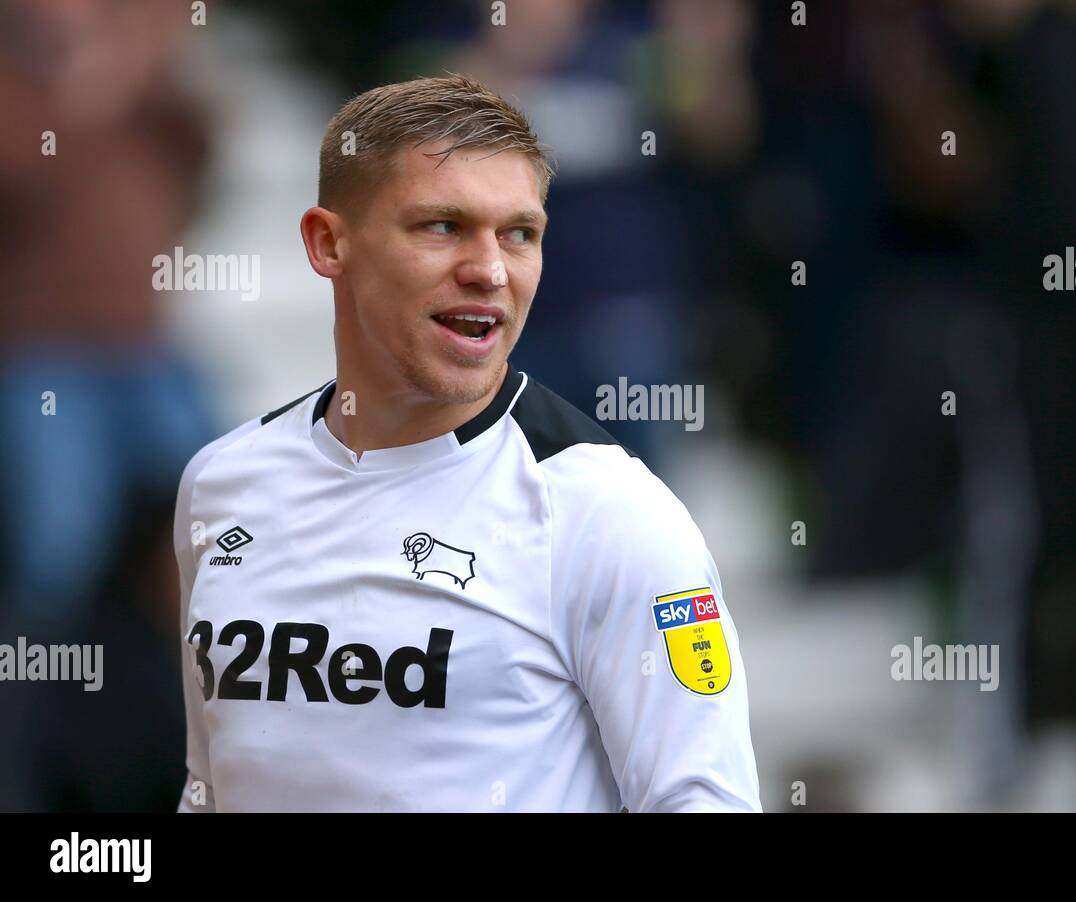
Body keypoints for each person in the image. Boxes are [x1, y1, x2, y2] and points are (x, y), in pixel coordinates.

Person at [173, 73, 760, 812]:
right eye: (442, 226)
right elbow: (210, 789)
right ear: (328, 243)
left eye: (520, 234)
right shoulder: (221, 484)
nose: (489, 271)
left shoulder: (609, 514)